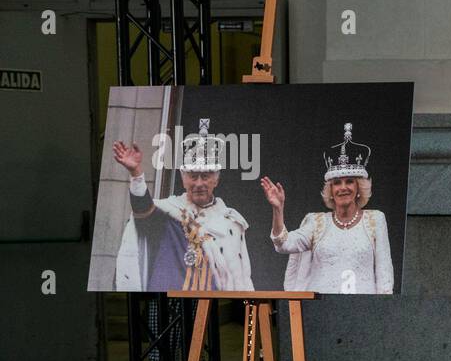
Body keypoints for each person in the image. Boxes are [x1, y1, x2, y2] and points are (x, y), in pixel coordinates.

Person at [112, 118, 253, 291]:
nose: (199, 183)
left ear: (216, 180)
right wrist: (136, 173)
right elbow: (143, 211)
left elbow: (240, 281)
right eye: (193, 176)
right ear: (183, 179)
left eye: (206, 176)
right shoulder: (170, 213)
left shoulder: (231, 223)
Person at [260, 123, 395, 294]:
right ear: (330, 191)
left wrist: (382, 309)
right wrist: (278, 209)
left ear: (359, 187)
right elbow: (283, 244)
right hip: (318, 309)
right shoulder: (316, 222)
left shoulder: (375, 220)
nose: (343, 187)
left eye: (349, 181)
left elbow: (385, 274)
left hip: (363, 310)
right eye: (337, 183)